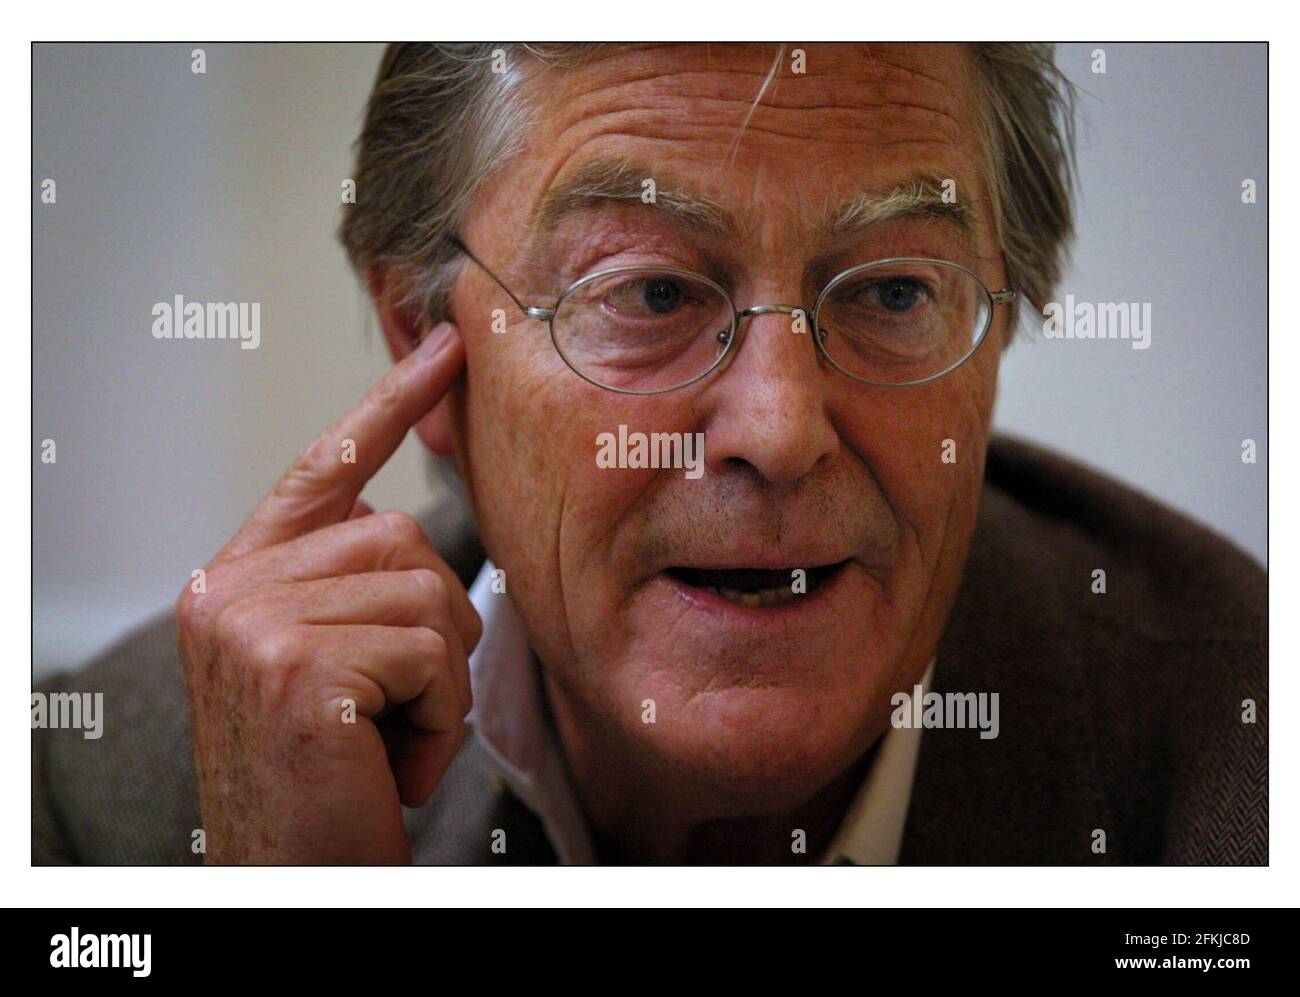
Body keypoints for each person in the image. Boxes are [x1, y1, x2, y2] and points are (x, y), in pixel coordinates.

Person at [33, 43, 1266, 865]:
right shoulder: (107, 809)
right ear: (427, 340)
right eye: (652, 292)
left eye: (892, 291)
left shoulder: (1251, 773)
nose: (780, 430)